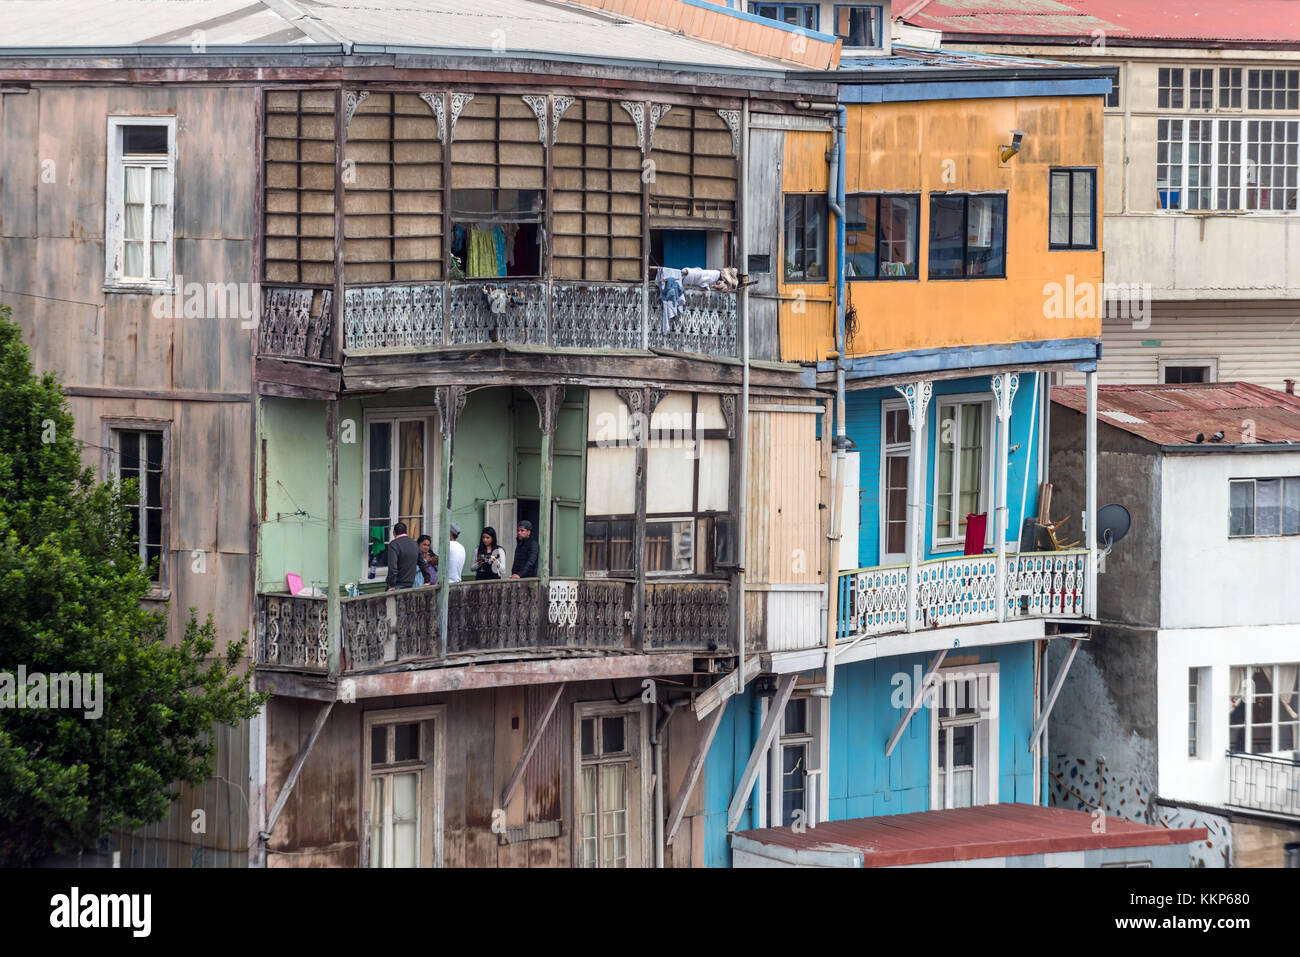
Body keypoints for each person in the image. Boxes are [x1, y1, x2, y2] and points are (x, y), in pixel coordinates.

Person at [385, 522, 419, 590]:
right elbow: (422, 563)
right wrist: (427, 580)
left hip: (397, 584)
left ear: (394, 532)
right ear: (406, 532)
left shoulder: (393, 544)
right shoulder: (414, 543)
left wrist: (392, 585)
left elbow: (393, 567)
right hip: (410, 583)